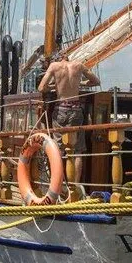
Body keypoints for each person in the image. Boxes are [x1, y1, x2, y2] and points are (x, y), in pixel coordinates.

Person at [37, 52, 100, 185]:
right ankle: (75, 186)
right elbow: (96, 81)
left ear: (58, 59)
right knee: (77, 150)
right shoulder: (78, 65)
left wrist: (54, 86)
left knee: (58, 149)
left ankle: (57, 184)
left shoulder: (54, 66)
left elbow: (41, 87)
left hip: (61, 109)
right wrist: (80, 83)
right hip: (76, 110)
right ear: (67, 57)